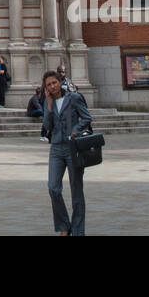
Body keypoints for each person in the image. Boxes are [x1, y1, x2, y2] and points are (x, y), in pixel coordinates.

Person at [40, 69, 92, 236]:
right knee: (53, 188)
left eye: (54, 83)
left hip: (73, 148)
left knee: (76, 191)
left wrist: (76, 130)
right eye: (49, 85)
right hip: (56, 148)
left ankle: (78, 230)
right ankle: (64, 226)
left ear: (60, 82)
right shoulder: (48, 101)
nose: (52, 86)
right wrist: (49, 105)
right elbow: (47, 126)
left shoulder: (74, 98)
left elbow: (86, 118)